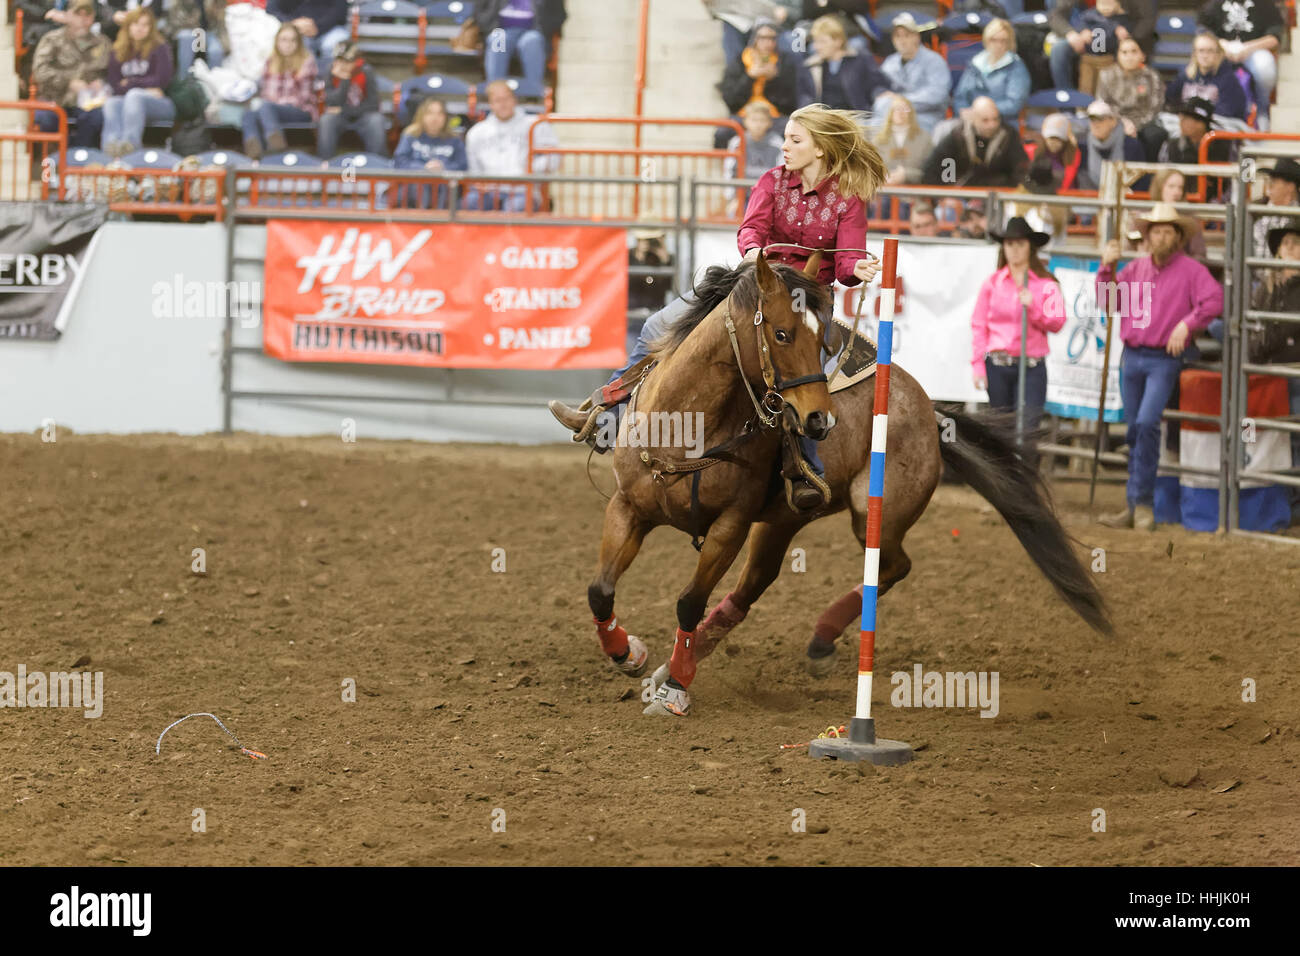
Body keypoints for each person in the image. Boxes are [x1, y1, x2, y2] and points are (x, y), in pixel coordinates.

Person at [548, 103, 887, 511]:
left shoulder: (847, 200)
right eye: (785, 138)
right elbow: (751, 227)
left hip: (804, 302)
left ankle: (804, 466)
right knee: (659, 325)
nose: (784, 147)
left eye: (795, 140)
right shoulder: (771, 182)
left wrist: (858, 268)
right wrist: (753, 250)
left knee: (802, 376)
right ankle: (606, 414)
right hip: (754, 284)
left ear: (819, 149)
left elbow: (848, 260)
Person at [1096, 204, 1224, 529]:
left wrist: (1187, 325)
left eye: (1168, 231)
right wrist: (1107, 267)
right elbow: (1109, 302)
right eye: (1156, 230)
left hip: (1162, 359)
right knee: (1136, 428)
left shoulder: (1191, 271)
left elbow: (1214, 300)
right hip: (1133, 356)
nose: (1162, 236)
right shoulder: (1135, 269)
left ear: (1178, 237)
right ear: (1148, 235)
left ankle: (1141, 504)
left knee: (1147, 423)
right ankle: (1135, 503)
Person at [970, 217, 1066, 465]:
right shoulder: (992, 284)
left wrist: (1033, 308)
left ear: (1029, 247)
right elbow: (979, 324)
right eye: (1009, 244)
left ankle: (1025, 485)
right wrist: (978, 365)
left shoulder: (1046, 284)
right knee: (1001, 432)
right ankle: (1006, 488)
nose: (1014, 249)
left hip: (1032, 366)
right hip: (999, 365)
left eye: (1019, 244)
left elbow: (1057, 321)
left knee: (1027, 429)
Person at [1247, 220, 1300, 523]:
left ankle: (1294, 500)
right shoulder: (1265, 289)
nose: (1290, 248)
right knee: (1277, 436)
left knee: (1294, 435)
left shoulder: (1276, 289)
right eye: (1286, 244)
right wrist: (1268, 338)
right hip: (1271, 373)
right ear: (1278, 251)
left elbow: (1282, 329)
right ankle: (1285, 500)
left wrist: (1269, 336)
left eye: (1296, 243)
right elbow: (1260, 335)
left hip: (1293, 371)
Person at [463, 79, 560, 211]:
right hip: (490, 190)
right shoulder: (477, 132)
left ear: (515, 100)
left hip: (523, 189)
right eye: (497, 100)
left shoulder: (535, 125)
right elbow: (474, 170)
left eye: (506, 99)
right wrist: (479, 181)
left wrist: (531, 168)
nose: (503, 104)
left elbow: (554, 157)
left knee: (515, 208)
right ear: (490, 104)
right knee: (470, 202)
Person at [30, 0, 110, 149]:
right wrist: (68, 82)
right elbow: (40, 71)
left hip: (89, 102)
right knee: (44, 117)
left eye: (87, 15)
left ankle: (79, 161)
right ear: (67, 15)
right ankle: (55, 162)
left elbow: (110, 73)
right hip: (55, 98)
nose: (83, 19)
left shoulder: (102, 43)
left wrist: (101, 84)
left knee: (99, 116)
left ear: (93, 18)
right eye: (77, 14)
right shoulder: (52, 39)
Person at [1198, 0, 1284, 131]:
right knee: (1205, 55)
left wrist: (1246, 48)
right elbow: (1202, 30)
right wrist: (1223, 45)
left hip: (1253, 50)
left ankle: (1261, 111)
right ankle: (1208, 110)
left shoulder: (1266, 4)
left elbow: (1275, 38)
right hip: (1221, 50)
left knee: (1265, 65)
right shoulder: (1215, 4)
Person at [100, 6, 175, 158]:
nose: (140, 29)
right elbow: (115, 85)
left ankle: (130, 148)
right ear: (128, 26)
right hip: (130, 100)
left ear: (151, 27)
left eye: (145, 24)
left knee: (135, 96)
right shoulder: (117, 50)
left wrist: (131, 82)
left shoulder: (160, 47)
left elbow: (162, 80)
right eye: (136, 24)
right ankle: (110, 149)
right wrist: (145, 86)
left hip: (160, 104)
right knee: (111, 103)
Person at [241, 22, 317, 160]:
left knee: (266, 107)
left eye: (292, 40)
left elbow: (303, 98)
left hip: (300, 110)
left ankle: (276, 149)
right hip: (271, 109)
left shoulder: (307, 61)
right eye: (283, 40)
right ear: (277, 42)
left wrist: (274, 104)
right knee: (249, 113)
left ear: (298, 43)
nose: (288, 44)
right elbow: (264, 92)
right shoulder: (270, 61)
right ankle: (254, 153)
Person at [923, 96, 1028, 188]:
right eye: (985, 120)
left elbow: (1021, 171)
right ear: (973, 119)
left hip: (997, 194)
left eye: (995, 119)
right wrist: (946, 194)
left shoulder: (1009, 136)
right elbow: (934, 168)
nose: (992, 125)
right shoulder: (958, 136)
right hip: (961, 194)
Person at [873, 12, 950, 133]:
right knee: (870, 126)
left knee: (907, 131)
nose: (902, 41)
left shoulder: (934, 60)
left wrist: (901, 100)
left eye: (907, 35)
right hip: (892, 114)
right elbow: (879, 89)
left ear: (917, 37)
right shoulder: (890, 62)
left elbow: (937, 94)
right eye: (897, 36)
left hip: (925, 116)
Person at [796, 14, 889, 112]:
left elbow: (877, 85)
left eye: (822, 42)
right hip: (824, 121)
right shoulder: (810, 66)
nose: (816, 47)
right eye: (815, 42)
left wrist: (881, 94)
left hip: (856, 118)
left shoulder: (860, 59)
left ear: (838, 41)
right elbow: (805, 99)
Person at [1095, 36, 1166, 160]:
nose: (1129, 56)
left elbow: (1154, 107)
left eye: (1134, 51)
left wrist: (1135, 126)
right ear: (1118, 55)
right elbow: (1103, 104)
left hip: (1143, 122)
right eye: (1124, 52)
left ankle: (1148, 174)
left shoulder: (1152, 76)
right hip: (1114, 121)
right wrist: (1121, 123)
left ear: (1142, 55)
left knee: (1156, 135)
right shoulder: (1106, 75)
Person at [950, 18, 1031, 127]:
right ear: (987, 40)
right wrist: (963, 111)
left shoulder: (1016, 67)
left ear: (1009, 42)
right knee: (945, 129)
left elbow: (1014, 104)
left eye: (1003, 40)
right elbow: (960, 96)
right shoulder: (975, 63)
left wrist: (983, 113)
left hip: (1001, 121)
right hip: (971, 120)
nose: (998, 44)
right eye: (994, 39)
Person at [476, 0, 567, 89]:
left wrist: (544, 29)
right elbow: (480, 12)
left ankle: (533, 93)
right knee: (497, 39)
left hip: (533, 30)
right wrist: (489, 27)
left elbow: (559, 15)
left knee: (532, 42)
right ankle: (496, 92)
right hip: (501, 30)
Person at [394, 99, 468, 209]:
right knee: (422, 183)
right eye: (430, 113)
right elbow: (399, 162)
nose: (435, 118)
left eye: (439, 113)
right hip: (413, 187)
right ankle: (424, 219)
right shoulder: (410, 136)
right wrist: (423, 168)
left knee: (442, 183)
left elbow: (463, 166)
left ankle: (439, 220)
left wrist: (443, 168)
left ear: (445, 117)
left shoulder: (455, 140)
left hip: (445, 187)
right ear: (422, 116)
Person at [718, 18, 798, 119]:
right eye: (763, 38)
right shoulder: (739, 61)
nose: (767, 43)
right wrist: (750, 77)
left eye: (772, 38)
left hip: (773, 116)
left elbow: (789, 105)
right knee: (723, 132)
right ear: (754, 39)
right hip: (744, 115)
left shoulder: (784, 62)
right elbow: (732, 103)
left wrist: (773, 79)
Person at [317, 41, 385, 158]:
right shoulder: (330, 71)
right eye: (339, 60)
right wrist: (345, 79)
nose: (342, 65)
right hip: (340, 117)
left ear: (356, 61)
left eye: (347, 61)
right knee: (327, 120)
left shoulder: (366, 71)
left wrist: (344, 110)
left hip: (363, 115)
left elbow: (373, 104)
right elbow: (331, 102)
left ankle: (378, 162)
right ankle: (325, 162)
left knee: (376, 120)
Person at [1157, 97, 1232, 199]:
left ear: (1201, 123)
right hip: (1180, 201)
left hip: (1216, 204)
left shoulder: (1225, 145)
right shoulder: (1171, 146)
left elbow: (1234, 181)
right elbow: (1163, 176)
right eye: (1182, 118)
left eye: (1187, 118)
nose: (1181, 122)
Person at [1166, 30, 1247, 122]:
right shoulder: (1185, 76)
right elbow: (1169, 100)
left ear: (1218, 54)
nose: (1205, 55)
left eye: (1210, 51)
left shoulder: (1228, 79)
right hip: (1188, 123)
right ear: (1194, 53)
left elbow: (1227, 113)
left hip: (1218, 126)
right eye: (1201, 51)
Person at [1134, 169, 1208, 258]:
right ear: (1160, 187)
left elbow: (1199, 253)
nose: (1177, 192)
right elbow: (1128, 251)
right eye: (1171, 186)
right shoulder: (1142, 215)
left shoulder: (1189, 218)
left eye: (1180, 187)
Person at [1074, 99, 1144, 192]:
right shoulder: (1083, 146)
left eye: (1100, 119)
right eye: (1091, 119)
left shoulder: (1131, 146)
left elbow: (1141, 182)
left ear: (1113, 120)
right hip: (1088, 200)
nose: (1095, 124)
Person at [267, 0, 350, 75]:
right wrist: (293, 23)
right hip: (297, 30)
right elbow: (271, 8)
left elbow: (341, 9)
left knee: (339, 43)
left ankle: (328, 82)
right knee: (291, 44)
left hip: (329, 28)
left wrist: (318, 27)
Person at [703, 0, 796, 65]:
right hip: (736, 21)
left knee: (790, 50)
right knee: (734, 49)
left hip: (772, 22)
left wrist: (781, 10)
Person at [873, 94, 930, 186]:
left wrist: (907, 175)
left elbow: (930, 171)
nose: (900, 112)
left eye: (905, 108)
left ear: (911, 113)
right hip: (884, 191)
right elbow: (871, 170)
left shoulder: (925, 139)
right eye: (896, 109)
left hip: (914, 193)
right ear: (890, 113)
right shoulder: (878, 140)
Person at [1252, 157, 1300, 259]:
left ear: (1290, 187)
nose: (1269, 186)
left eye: (1273, 182)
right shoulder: (1258, 208)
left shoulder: (1297, 214)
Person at [725, 101, 784, 180]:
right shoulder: (737, 142)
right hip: (742, 190)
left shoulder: (777, 143)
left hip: (767, 190)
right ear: (745, 121)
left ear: (770, 123)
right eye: (754, 120)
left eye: (762, 120)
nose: (758, 124)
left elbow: (782, 172)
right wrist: (729, 192)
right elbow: (729, 170)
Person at [1024, 113, 1081, 192]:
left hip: (1064, 197)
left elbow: (1067, 182)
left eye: (1058, 139)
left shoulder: (1073, 153)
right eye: (1051, 138)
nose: (1054, 143)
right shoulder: (1031, 151)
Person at [172, 0, 228, 74]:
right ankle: (183, 79)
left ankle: (212, 81)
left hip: (209, 32)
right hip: (187, 29)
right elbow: (177, 18)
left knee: (215, 51)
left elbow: (220, 21)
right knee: (186, 38)